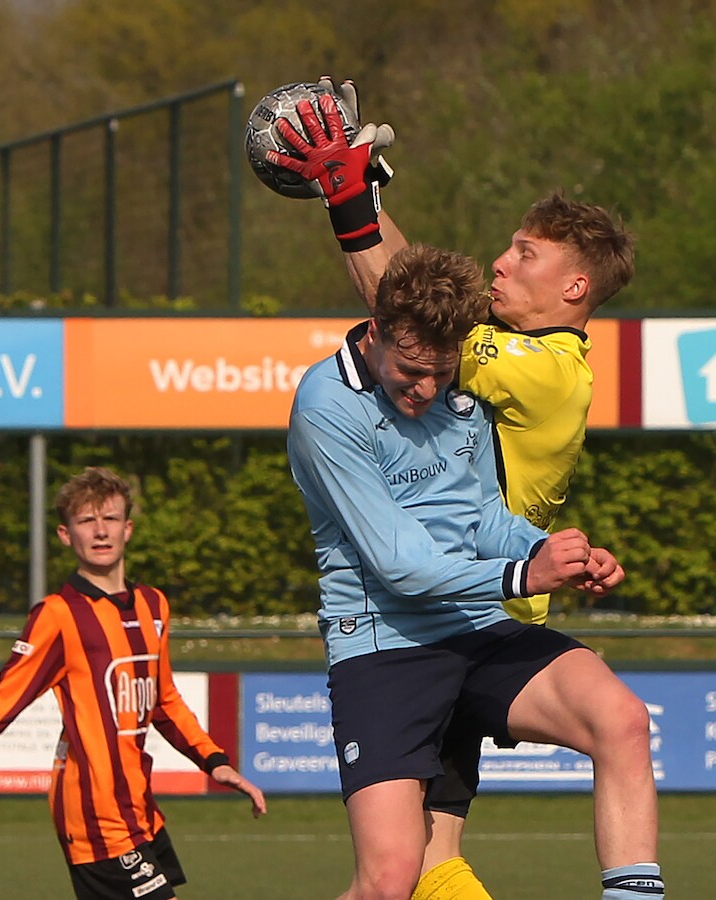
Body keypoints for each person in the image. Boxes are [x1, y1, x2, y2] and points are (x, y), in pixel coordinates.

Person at [264, 82, 645, 900]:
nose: (502, 263)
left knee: (619, 718)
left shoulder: (534, 371)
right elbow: (417, 301)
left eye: (525, 255)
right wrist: (353, 196)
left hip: (490, 609)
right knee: (409, 874)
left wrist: (350, 205)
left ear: (576, 289)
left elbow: (410, 310)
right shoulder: (358, 394)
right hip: (405, 629)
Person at [0, 467, 267, 900]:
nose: (100, 531)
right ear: (65, 535)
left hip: (140, 808)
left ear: (127, 529)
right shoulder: (57, 615)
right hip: (94, 813)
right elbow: (3, 700)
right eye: (86, 521)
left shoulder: (154, 605)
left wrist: (214, 760)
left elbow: (163, 700)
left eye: (109, 519)